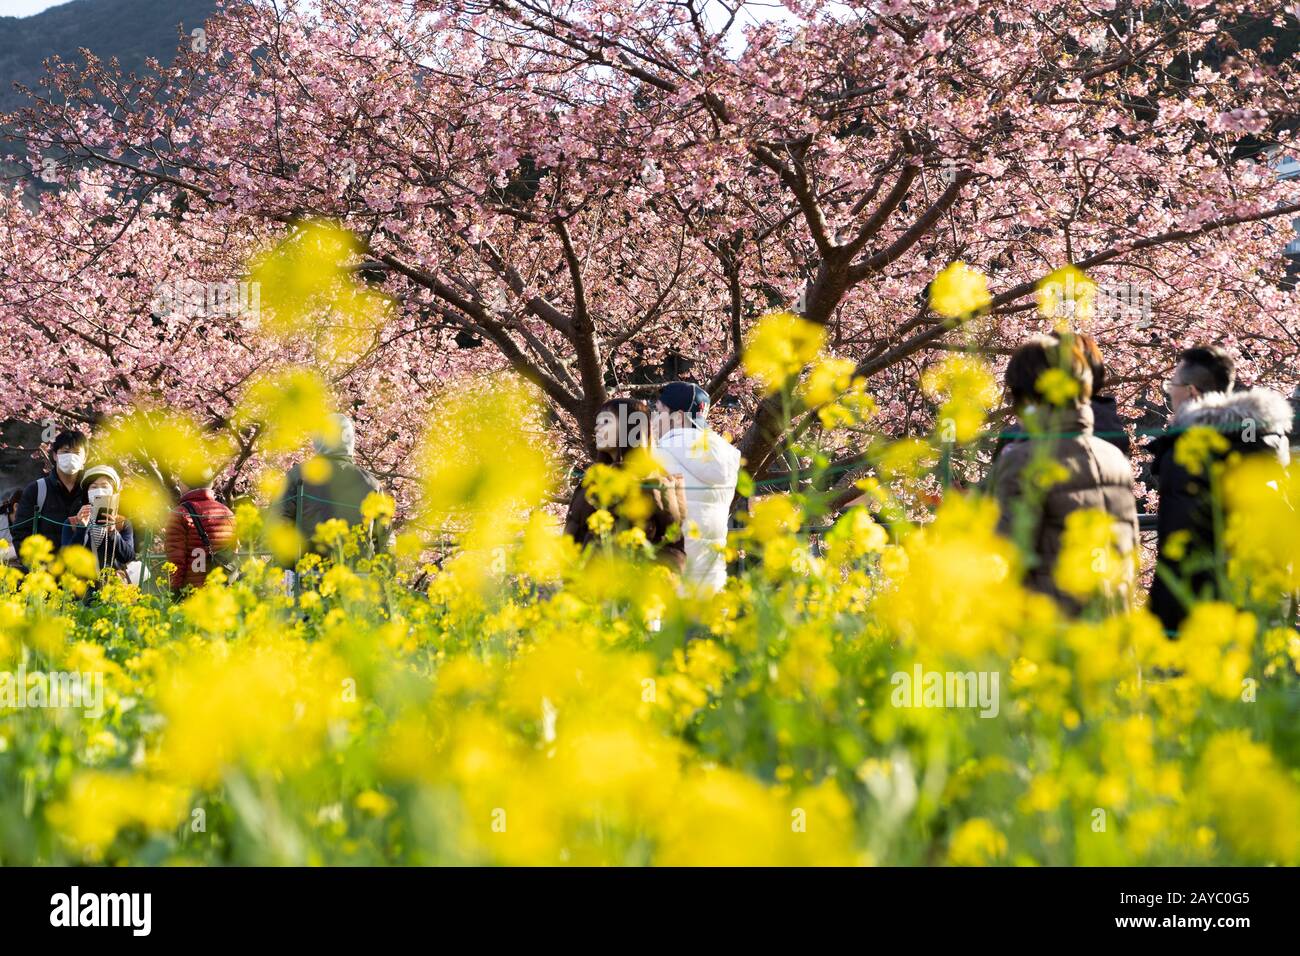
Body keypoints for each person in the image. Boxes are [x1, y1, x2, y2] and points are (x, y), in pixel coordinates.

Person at [988, 334, 1139, 612]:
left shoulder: (1025, 459)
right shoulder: (1114, 456)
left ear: (1028, 394)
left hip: (1050, 625)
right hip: (1111, 619)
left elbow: (1004, 555)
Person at [1147, 346, 1292, 635]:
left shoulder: (1189, 453)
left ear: (1191, 392)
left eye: (1172, 384)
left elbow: (1181, 551)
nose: (1169, 392)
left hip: (1203, 619)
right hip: (1266, 607)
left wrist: (1160, 623)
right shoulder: (1266, 444)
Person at [563, 398, 688, 572]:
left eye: (606, 422)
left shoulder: (655, 485)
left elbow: (671, 552)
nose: (597, 428)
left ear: (630, 428)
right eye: (597, 423)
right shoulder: (592, 481)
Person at [651, 381, 742, 593]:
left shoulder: (657, 457)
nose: (654, 419)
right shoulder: (726, 459)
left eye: (659, 412)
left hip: (670, 584)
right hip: (712, 581)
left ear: (678, 417)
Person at [276, 414, 388, 557]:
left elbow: (279, 524)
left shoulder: (298, 475)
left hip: (309, 566)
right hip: (357, 567)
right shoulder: (370, 482)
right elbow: (384, 538)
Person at [11, 430, 89, 563]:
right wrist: (32, 565)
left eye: (77, 453)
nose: (71, 457)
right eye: (65, 452)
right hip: (45, 570)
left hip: (84, 570)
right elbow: (20, 533)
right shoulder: (36, 490)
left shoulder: (92, 491)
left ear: (85, 458)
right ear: (55, 455)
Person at [165, 475, 236, 592]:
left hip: (193, 591)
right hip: (223, 589)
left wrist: (175, 589)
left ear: (185, 484)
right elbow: (234, 549)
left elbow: (176, 559)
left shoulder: (180, 513)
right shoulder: (227, 512)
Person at [62, 465, 136, 575]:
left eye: (104, 486)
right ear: (87, 492)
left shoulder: (122, 523)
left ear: (113, 491)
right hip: (81, 583)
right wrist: (81, 528)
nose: (99, 490)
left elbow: (128, 557)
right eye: (94, 487)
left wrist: (112, 532)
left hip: (114, 582)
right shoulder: (72, 523)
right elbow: (67, 560)